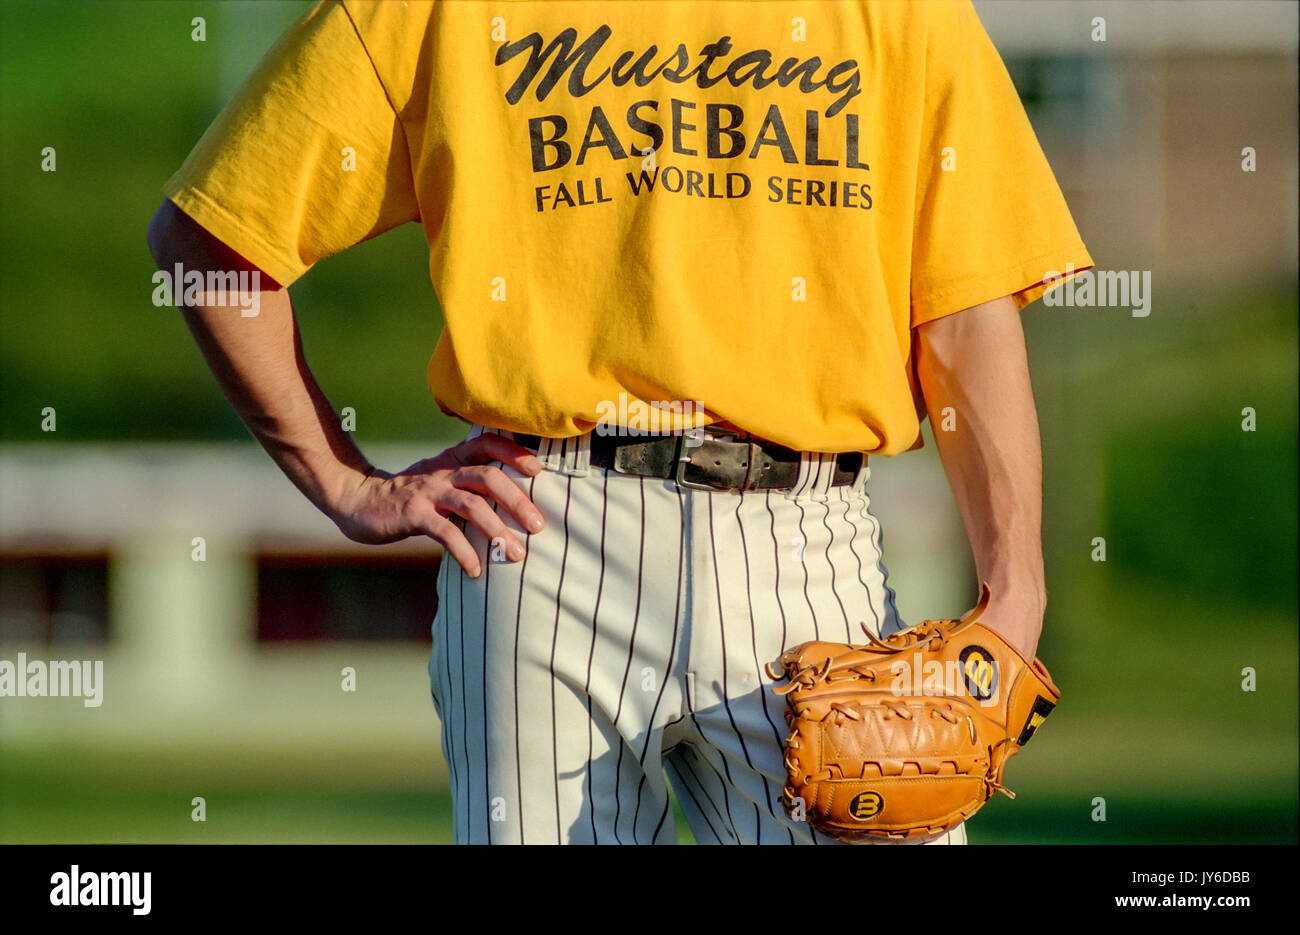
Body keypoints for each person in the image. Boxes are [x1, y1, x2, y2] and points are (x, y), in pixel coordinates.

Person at [147, 0, 1092, 844]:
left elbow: (966, 309)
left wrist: (1017, 591)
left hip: (800, 549)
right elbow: (213, 237)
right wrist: (346, 482)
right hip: (538, 530)